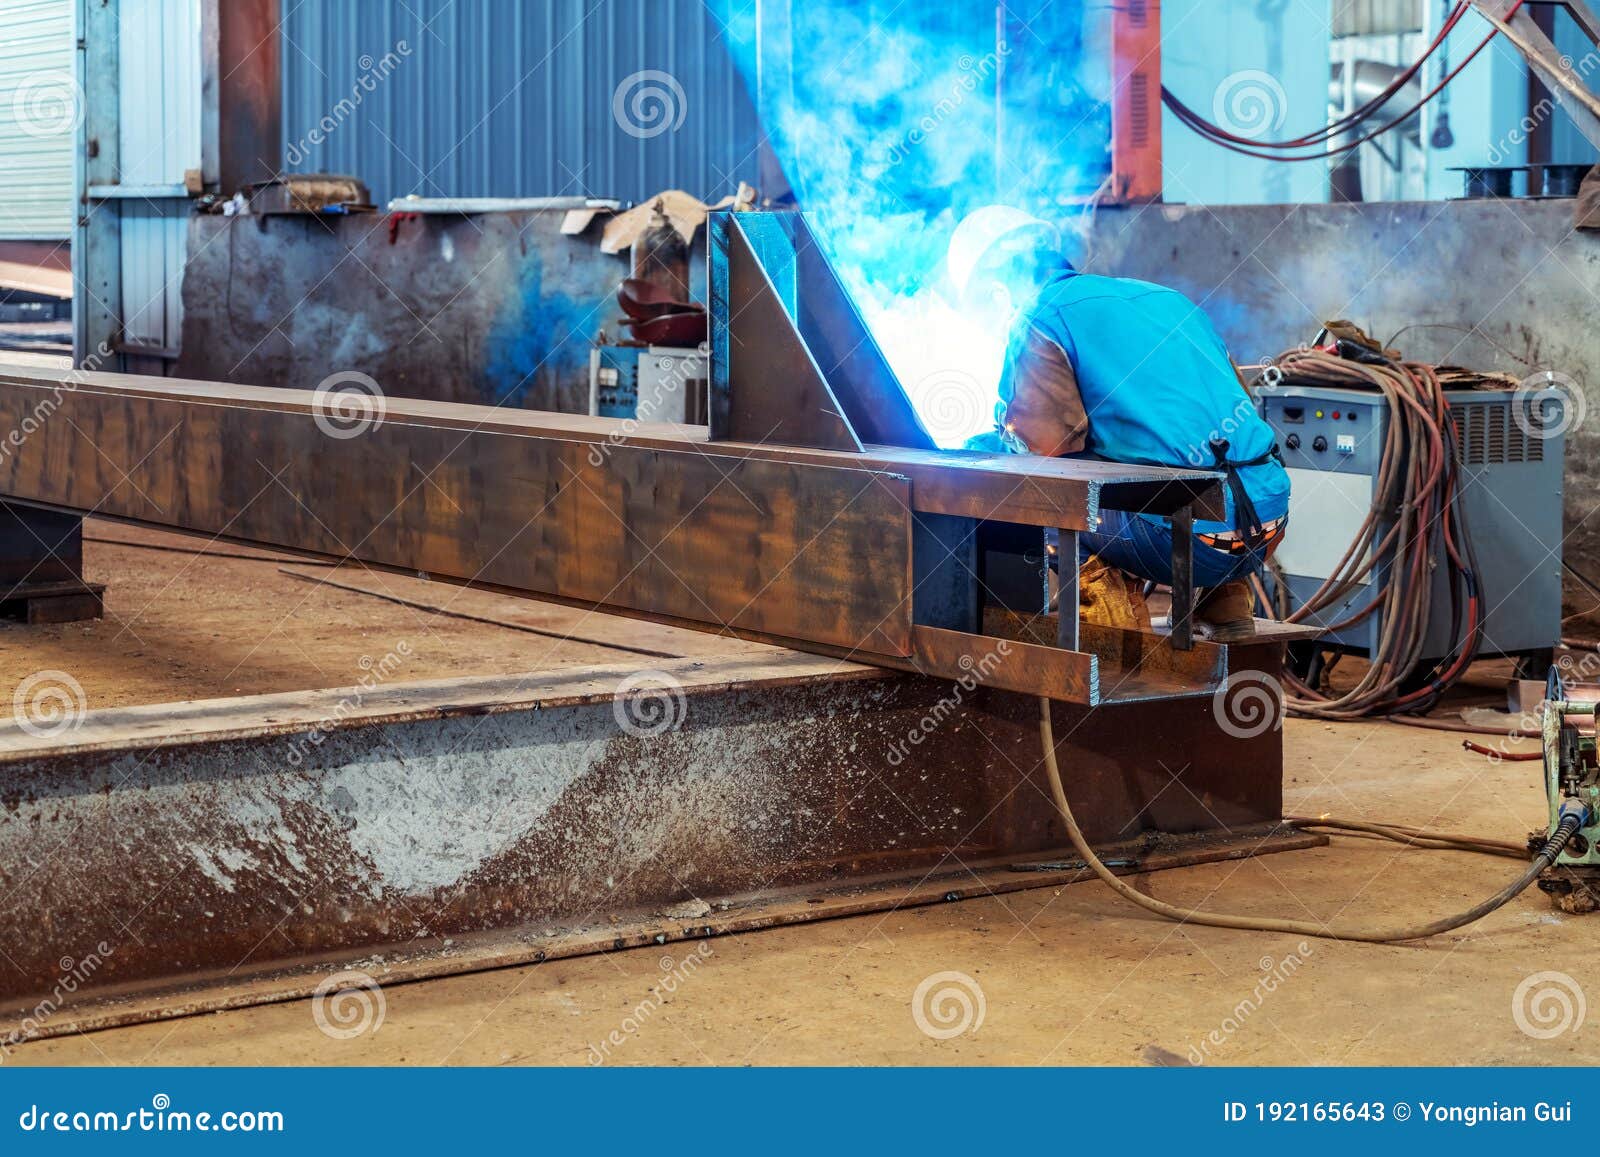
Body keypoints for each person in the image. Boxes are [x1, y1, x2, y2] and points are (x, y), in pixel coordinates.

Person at [948, 205, 1290, 642]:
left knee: (1026, 487)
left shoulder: (1038, 315)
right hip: (1266, 524)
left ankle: (1114, 629)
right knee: (1188, 473)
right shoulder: (1166, 301)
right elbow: (1233, 418)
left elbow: (1050, 449)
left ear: (996, 292)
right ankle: (1225, 602)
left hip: (1186, 536)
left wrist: (989, 443)